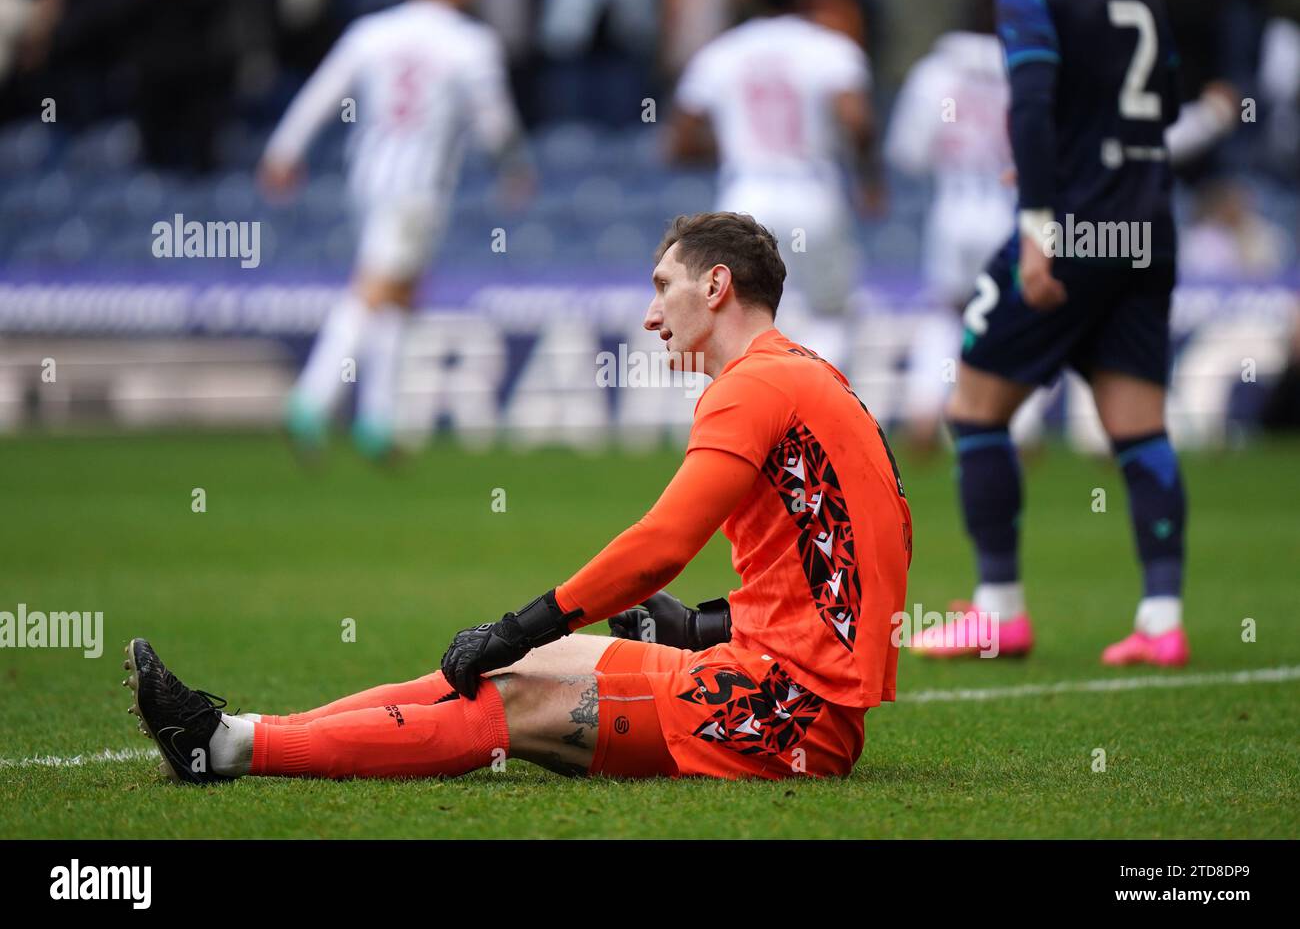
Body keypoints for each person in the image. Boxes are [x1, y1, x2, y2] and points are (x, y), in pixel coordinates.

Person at [123, 212, 911, 784]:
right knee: (534, 665)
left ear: (716, 284)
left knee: (521, 688)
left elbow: (660, 546)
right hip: (793, 691)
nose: (648, 314)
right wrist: (703, 625)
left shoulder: (751, 388)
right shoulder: (814, 378)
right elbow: (858, 566)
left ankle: (228, 751)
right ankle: (236, 729)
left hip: (785, 714)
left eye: (662, 286)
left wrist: (516, 626)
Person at [919, 0, 1190, 665]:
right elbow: (1165, 103)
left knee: (973, 409)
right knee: (1137, 426)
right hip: (1144, 228)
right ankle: (1161, 621)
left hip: (1070, 231)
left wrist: (1040, 223)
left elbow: (1031, 107)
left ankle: (999, 610)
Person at [259, 0, 532, 460]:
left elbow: (322, 92)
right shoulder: (469, 42)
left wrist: (283, 150)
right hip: (417, 187)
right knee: (377, 289)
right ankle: (309, 403)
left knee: (400, 294)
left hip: (367, 177)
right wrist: (513, 165)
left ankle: (376, 422)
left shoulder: (372, 32)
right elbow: (494, 118)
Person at [667, 0, 878, 371]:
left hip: (745, 196)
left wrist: (732, 147)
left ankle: (752, 423)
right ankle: (817, 419)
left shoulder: (721, 52)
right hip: (813, 193)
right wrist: (871, 180)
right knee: (829, 313)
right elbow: (857, 122)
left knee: (740, 326)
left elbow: (679, 143)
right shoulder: (829, 48)